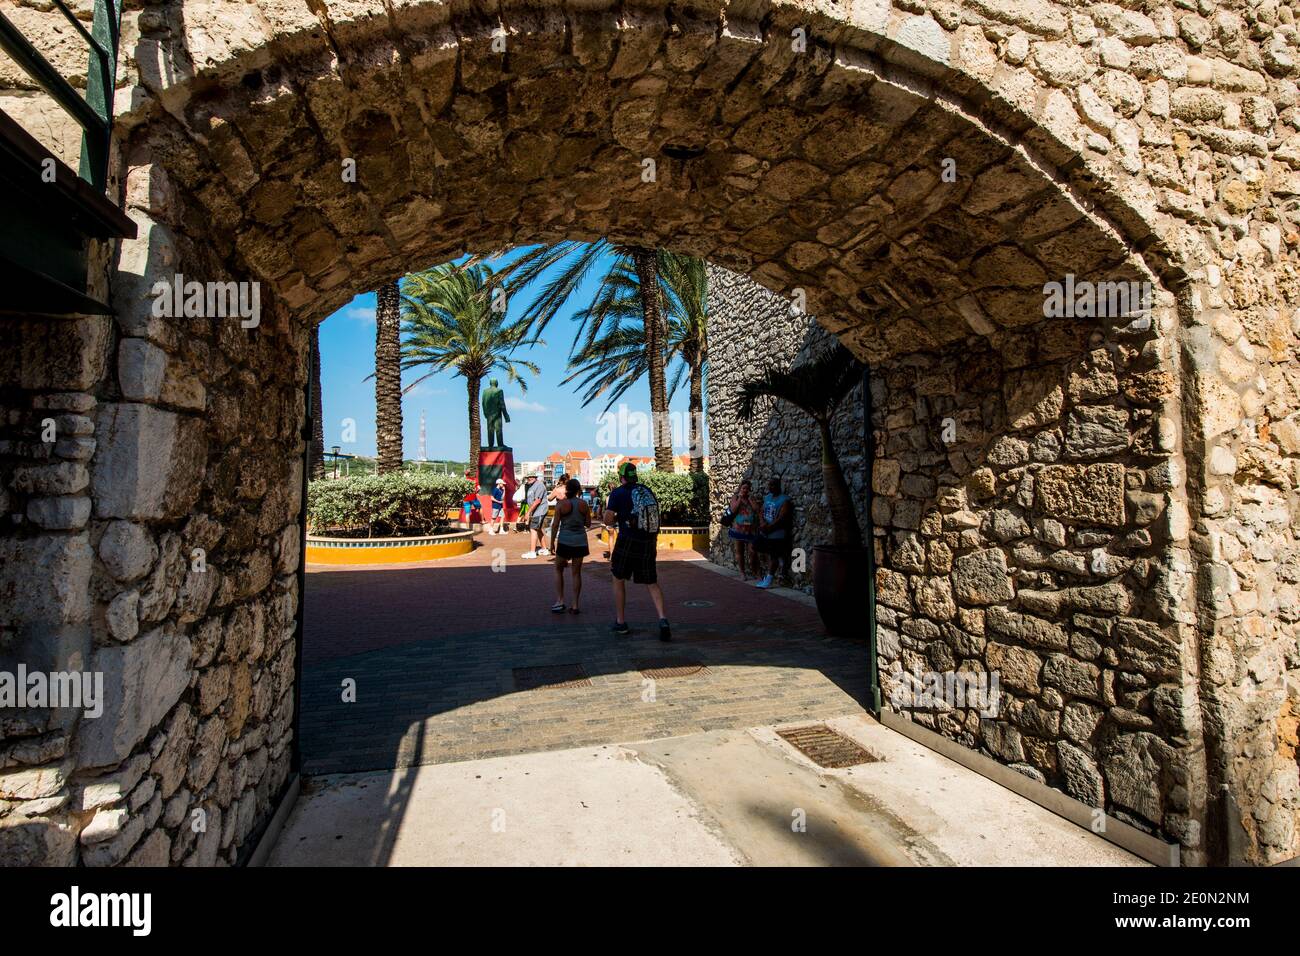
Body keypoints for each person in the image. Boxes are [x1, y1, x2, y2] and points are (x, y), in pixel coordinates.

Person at [604, 462, 670, 641]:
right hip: (648, 542)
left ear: (622, 477)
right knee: (651, 581)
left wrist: (617, 514)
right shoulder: (647, 490)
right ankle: (663, 619)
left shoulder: (618, 492)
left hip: (627, 541)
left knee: (618, 578)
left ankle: (621, 622)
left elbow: (608, 520)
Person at [551, 478, 591, 614]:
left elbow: (555, 525)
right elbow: (588, 524)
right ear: (578, 490)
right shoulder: (584, 504)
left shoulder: (561, 505)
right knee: (576, 573)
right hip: (580, 542)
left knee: (558, 569)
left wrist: (551, 543)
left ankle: (560, 600)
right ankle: (575, 605)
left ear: (567, 490)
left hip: (564, 541)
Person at [754, 476, 793, 589]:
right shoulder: (767, 497)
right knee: (755, 546)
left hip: (776, 533)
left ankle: (769, 579)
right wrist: (762, 523)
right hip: (765, 531)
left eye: (772, 485)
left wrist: (769, 526)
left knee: (773, 557)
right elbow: (761, 511)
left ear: (778, 486)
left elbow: (782, 518)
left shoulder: (785, 500)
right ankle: (779, 559)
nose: (770, 487)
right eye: (769, 485)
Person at [727, 479, 759, 580]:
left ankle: (755, 572)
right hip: (738, 530)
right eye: (743, 488)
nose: (745, 490)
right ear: (740, 488)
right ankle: (742, 572)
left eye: (747, 488)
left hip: (750, 530)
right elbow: (733, 510)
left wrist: (750, 499)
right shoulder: (735, 497)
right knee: (739, 552)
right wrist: (740, 498)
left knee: (752, 552)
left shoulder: (751, 498)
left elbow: (756, 509)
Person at [521, 474, 547, 558]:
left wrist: (528, 513)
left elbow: (537, 501)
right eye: (528, 477)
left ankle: (532, 552)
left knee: (533, 529)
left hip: (540, 510)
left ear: (535, 477)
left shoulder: (539, 485)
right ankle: (544, 549)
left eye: (531, 476)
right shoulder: (531, 486)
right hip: (535, 511)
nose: (529, 478)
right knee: (538, 529)